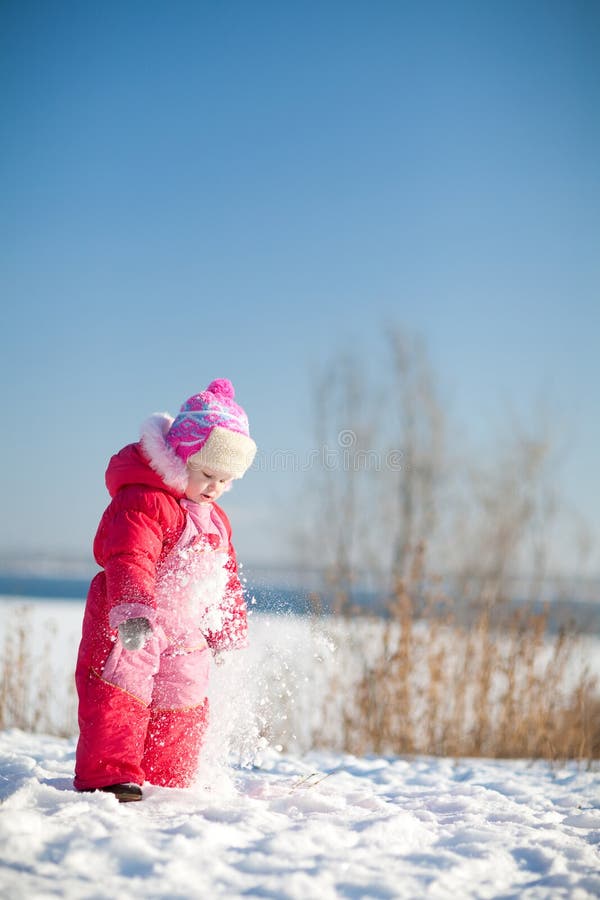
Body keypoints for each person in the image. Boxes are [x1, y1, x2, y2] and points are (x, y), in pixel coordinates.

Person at [73, 378, 256, 802]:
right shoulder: (145, 501)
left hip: (185, 628)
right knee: (123, 685)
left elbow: (223, 578)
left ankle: (167, 780)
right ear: (182, 458)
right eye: (207, 474)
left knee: (186, 693)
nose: (215, 487)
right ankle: (110, 775)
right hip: (134, 618)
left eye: (225, 480)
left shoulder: (215, 520)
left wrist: (228, 632)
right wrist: (134, 609)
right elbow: (128, 555)